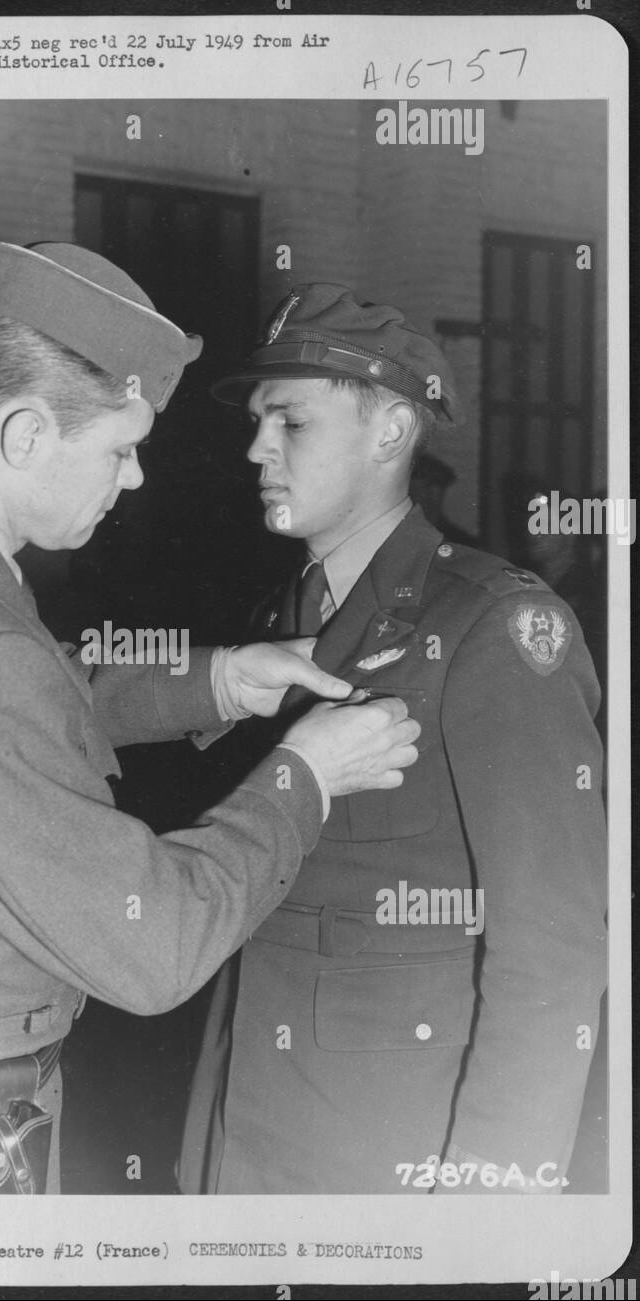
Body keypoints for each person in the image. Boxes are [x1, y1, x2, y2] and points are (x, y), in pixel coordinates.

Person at [0, 244, 420, 1196]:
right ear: (24, 435)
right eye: (121, 446)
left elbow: (12, 699)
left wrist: (222, 680)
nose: (137, 477)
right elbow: (156, 949)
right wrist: (305, 774)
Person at [180, 283, 607, 1195]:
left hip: (388, 1167)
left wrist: (494, 1194)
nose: (257, 448)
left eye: (289, 421)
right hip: (244, 1140)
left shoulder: (497, 627)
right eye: (258, 422)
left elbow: (556, 948)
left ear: (390, 433)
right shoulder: (279, 617)